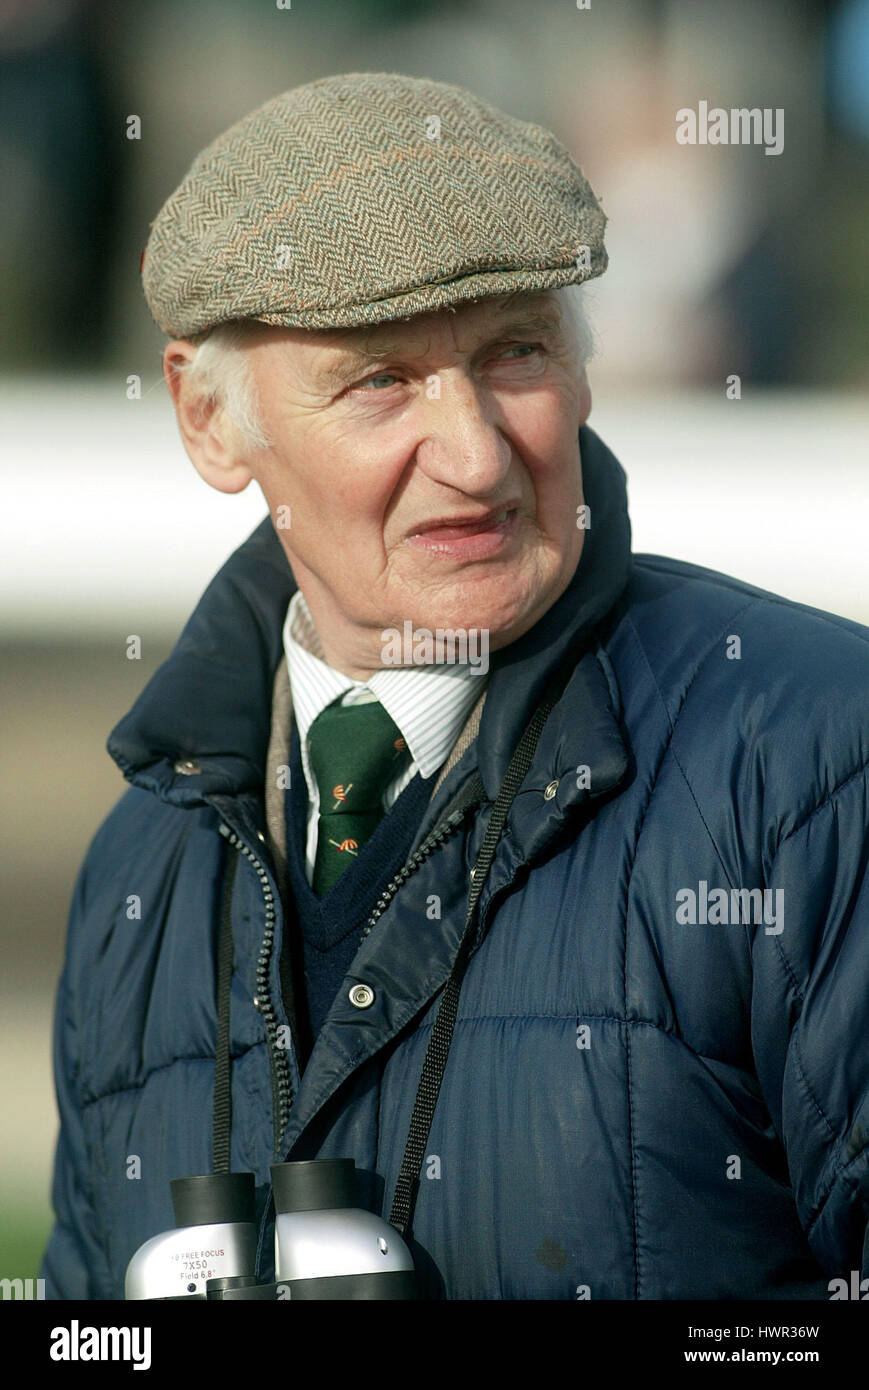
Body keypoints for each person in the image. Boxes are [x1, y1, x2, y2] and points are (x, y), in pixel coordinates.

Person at [41, 72, 869, 1301]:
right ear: (208, 423)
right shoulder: (139, 866)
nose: (479, 455)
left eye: (515, 352)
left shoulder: (811, 758)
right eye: (379, 380)